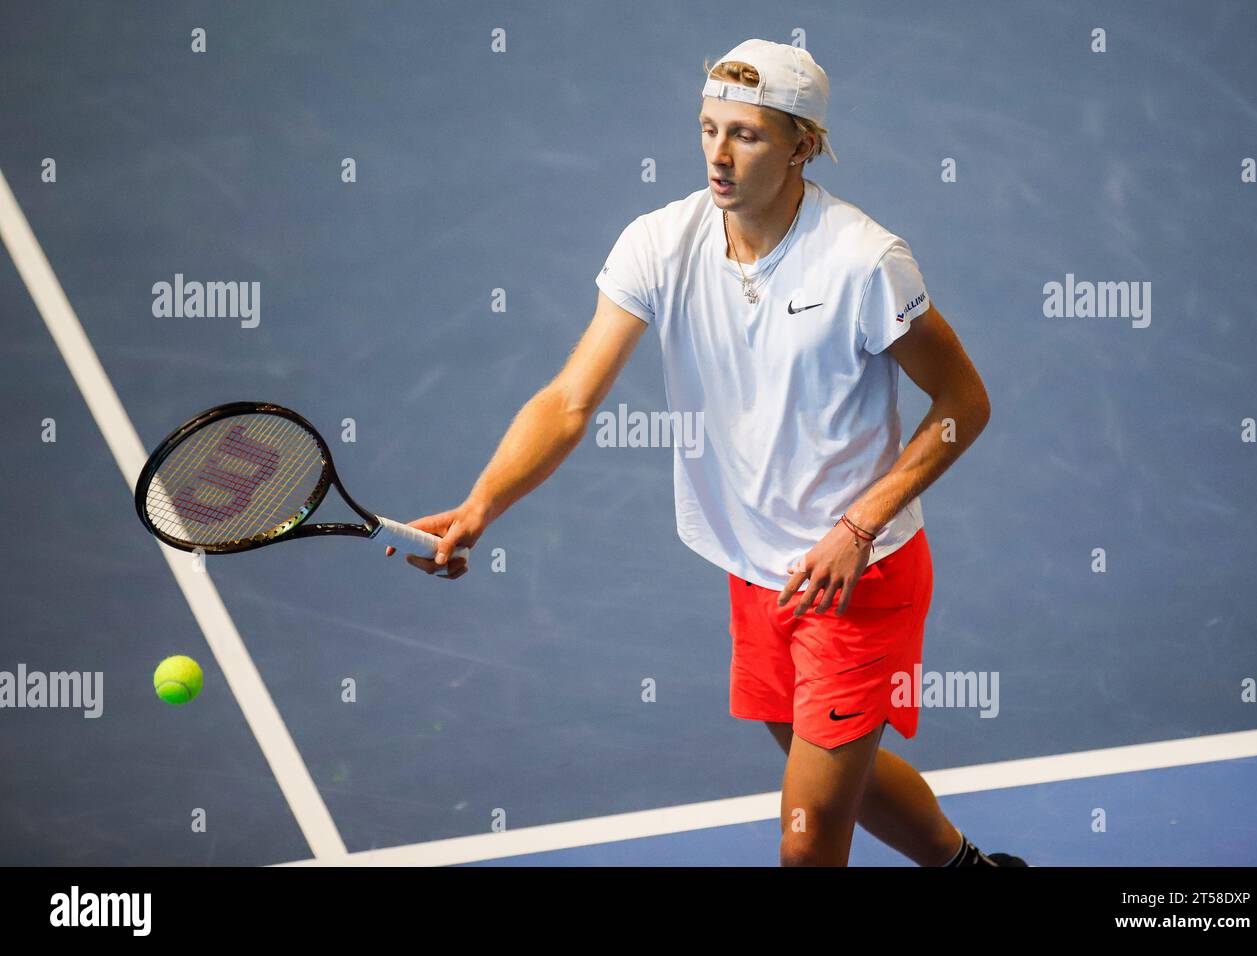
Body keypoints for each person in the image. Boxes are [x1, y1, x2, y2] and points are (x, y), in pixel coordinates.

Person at [393, 38, 1026, 868]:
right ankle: (971, 870)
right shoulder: (661, 242)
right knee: (834, 768)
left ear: (803, 145)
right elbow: (569, 399)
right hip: (756, 567)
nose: (718, 157)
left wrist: (860, 525)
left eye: (748, 136)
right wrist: (483, 504)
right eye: (707, 128)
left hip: (857, 579)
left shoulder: (865, 262)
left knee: (808, 842)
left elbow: (963, 403)